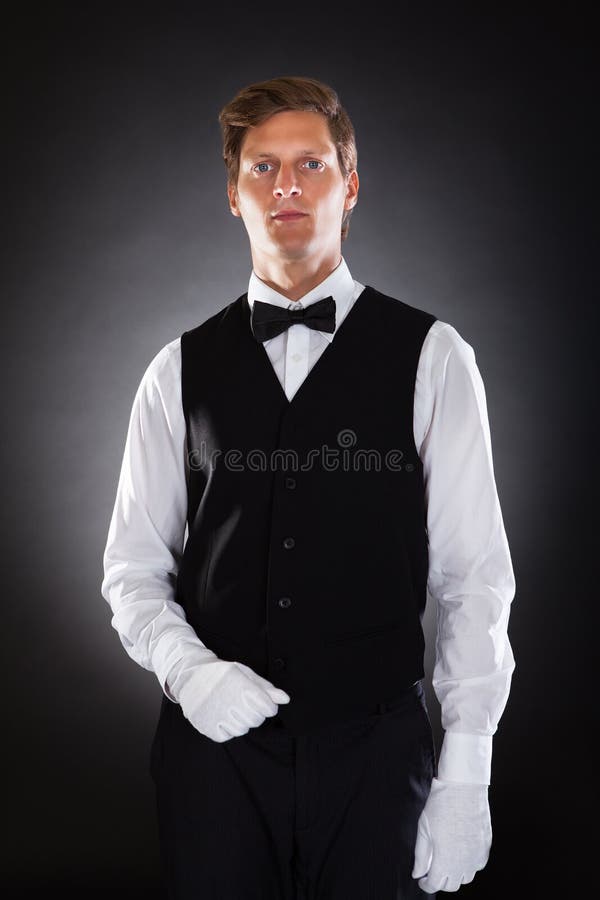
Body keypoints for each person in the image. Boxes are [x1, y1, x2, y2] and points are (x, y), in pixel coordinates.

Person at [101, 75, 516, 899]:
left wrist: (468, 771)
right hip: (213, 761)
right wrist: (191, 674)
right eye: (262, 168)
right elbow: (132, 571)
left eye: (311, 164)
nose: (286, 185)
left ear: (350, 184)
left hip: (377, 752)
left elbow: (474, 578)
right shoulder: (174, 369)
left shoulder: (435, 357)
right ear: (233, 194)